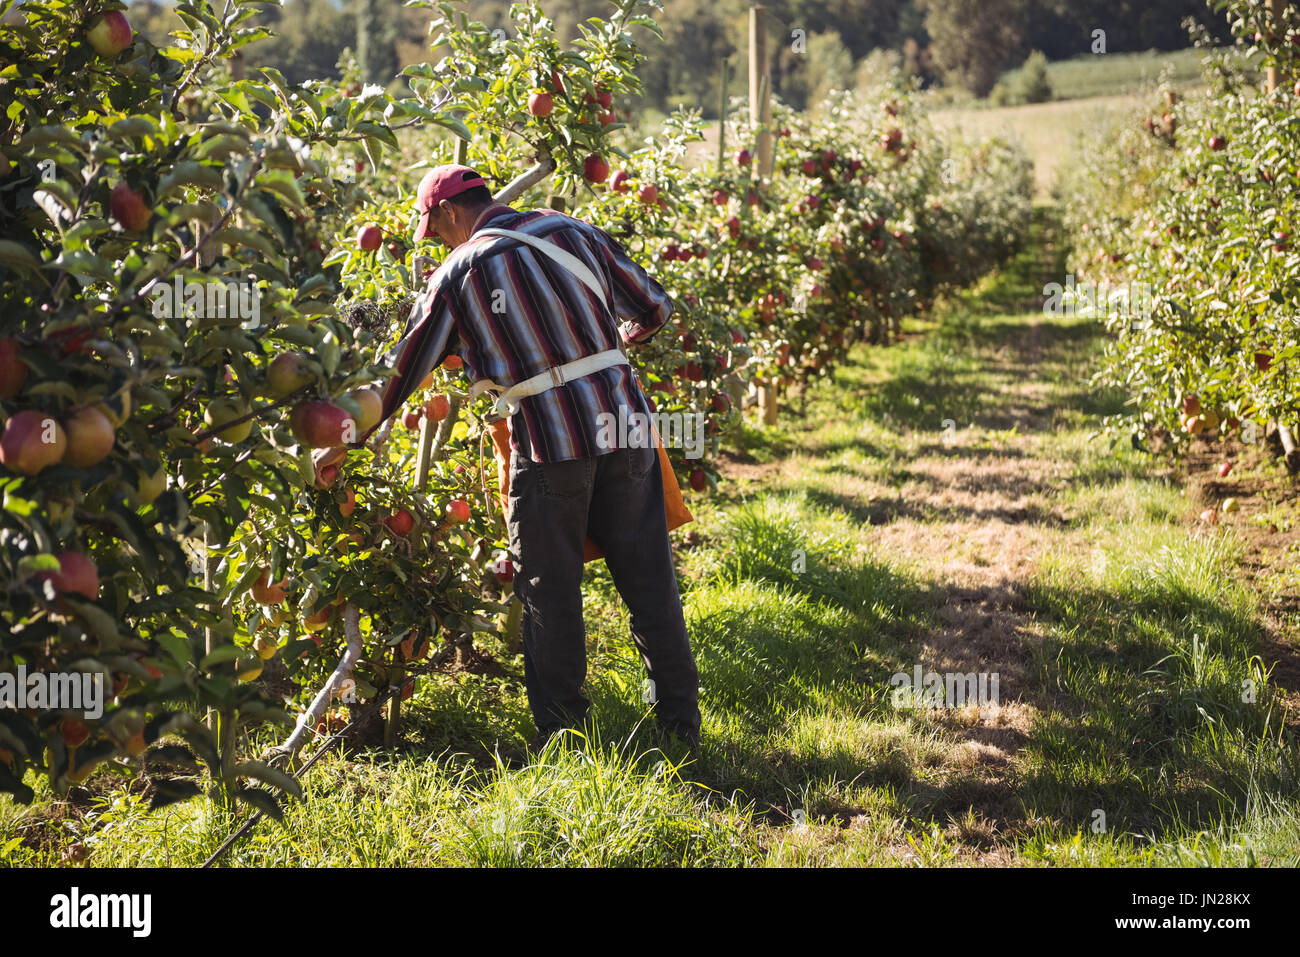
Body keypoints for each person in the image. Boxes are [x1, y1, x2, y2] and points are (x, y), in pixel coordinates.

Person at [354, 165, 702, 755]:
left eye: (433, 230)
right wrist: (603, 347)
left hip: (547, 442)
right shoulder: (573, 231)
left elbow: (400, 375)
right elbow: (656, 308)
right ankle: (678, 728)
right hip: (625, 423)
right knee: (650, 581)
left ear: (446, 213)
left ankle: (566, 739)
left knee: (549, 590)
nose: (437, 241)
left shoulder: (458, 273)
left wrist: (341, 432)